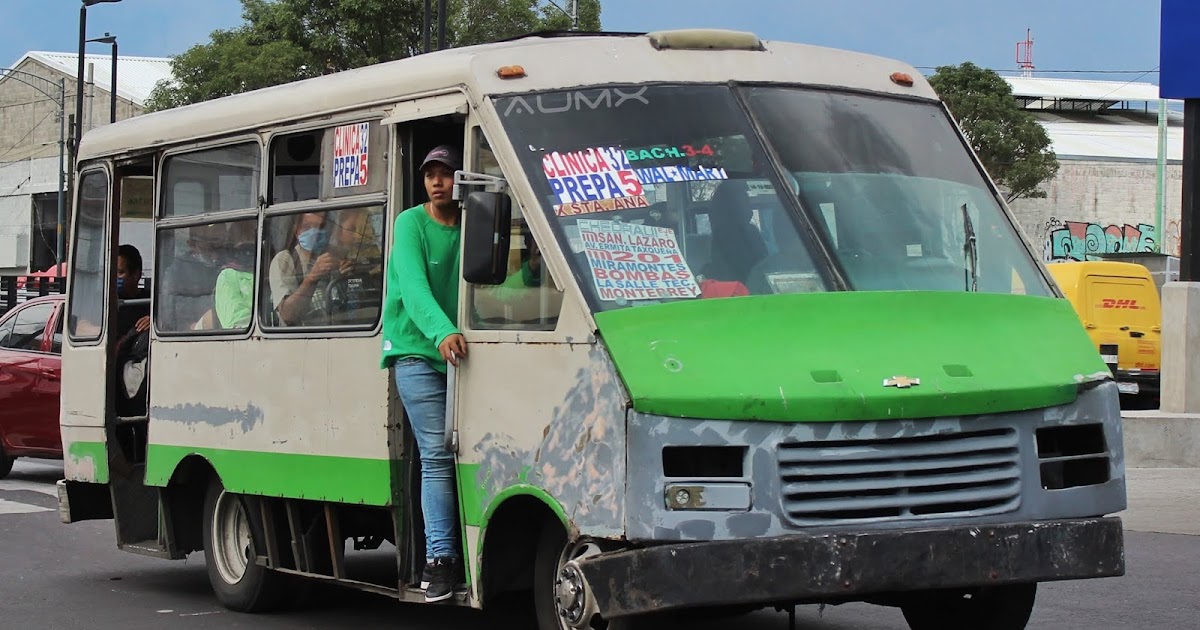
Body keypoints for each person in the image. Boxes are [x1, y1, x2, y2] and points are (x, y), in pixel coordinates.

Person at [380, 144, 466, 603]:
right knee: (436, 454)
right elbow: (412, 289)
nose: (437, 181)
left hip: (464, 351)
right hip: (418, 351)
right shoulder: (410, 223)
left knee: (468, 452)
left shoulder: (475, 224)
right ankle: (441, 561)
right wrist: (442, 332)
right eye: (431, 173)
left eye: (446, 173)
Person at [268, 212, 349, 326]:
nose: (313, 232)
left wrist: (348, 277)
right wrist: (312, 278)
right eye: (307, 227)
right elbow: (287, 315)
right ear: (297, 231)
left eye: (319, 227)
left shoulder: (337, 254)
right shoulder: (285, 260)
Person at [213, 222, 257, 329]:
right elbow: (236, 323)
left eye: (252, 246)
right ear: (233, 249)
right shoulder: (228, 276)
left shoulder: (267, 272)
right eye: (243, 248)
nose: (248, 253)